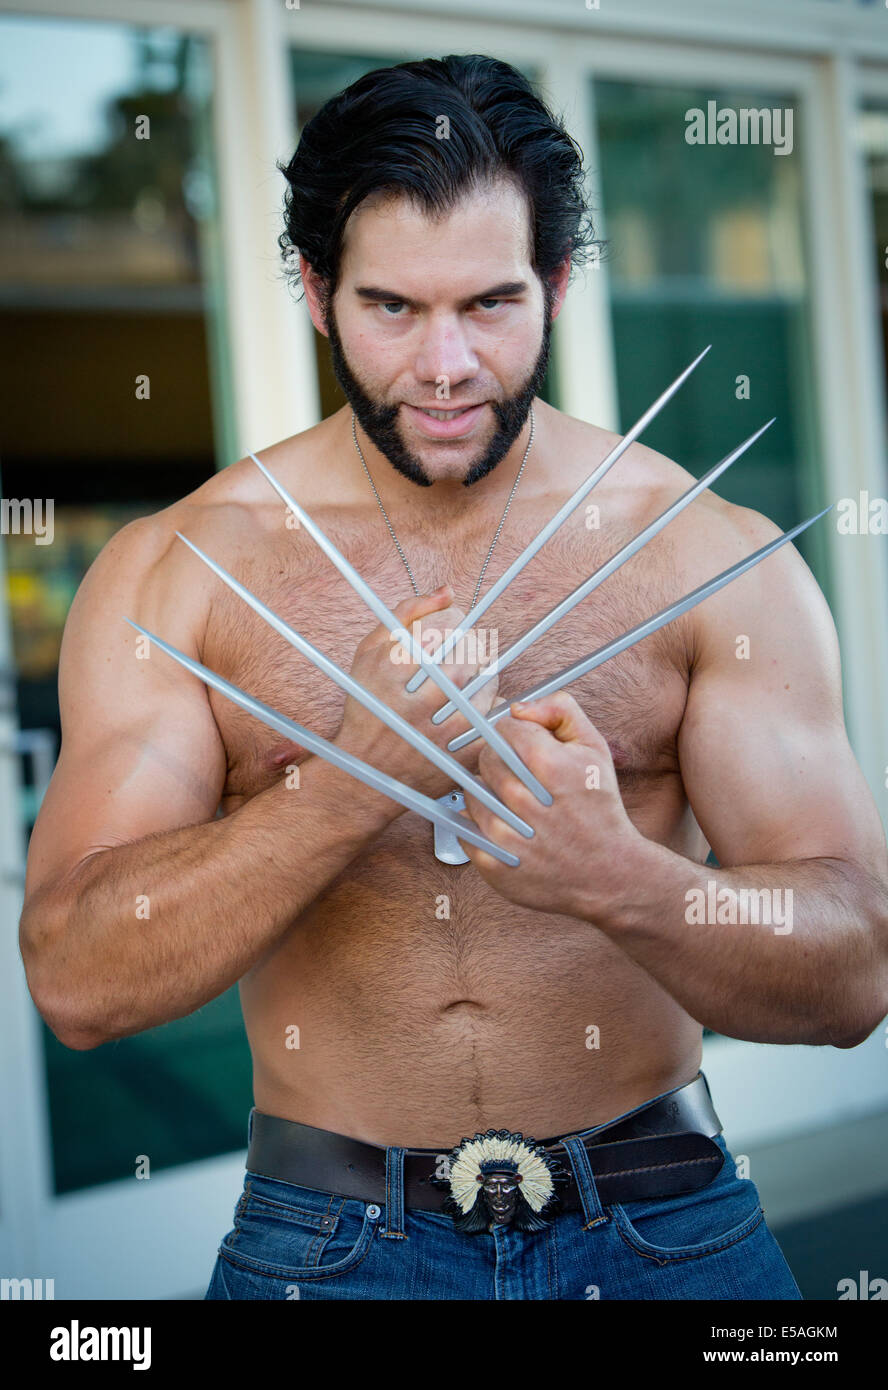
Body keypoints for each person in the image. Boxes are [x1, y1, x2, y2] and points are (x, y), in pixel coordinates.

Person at [19, 55, 888, 1301]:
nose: (444, 367)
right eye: (393, 309)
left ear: (559, 285)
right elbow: (76, 975)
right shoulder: (183, 571)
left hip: (663, 1223)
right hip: (327, 1240)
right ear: (315, 293)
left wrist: (626, 882)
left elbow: (858, 966)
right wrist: (345, 784)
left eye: (490, 304)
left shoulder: (706, 554)